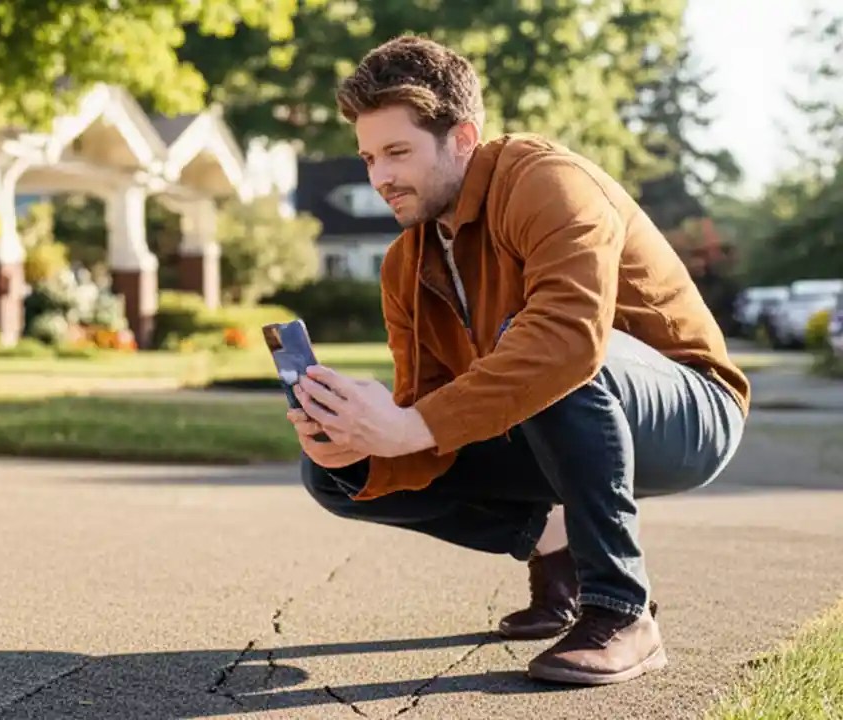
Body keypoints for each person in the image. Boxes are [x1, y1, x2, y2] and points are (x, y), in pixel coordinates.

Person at [287, 34, 750, 686]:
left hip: (689, 411)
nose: (380, 177)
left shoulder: (548, 182)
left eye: (397, 152)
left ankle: (623, 612)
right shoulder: (406, 264)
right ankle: (555, 548)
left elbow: (567, 341)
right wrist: (360, 438)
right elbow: (433, 405)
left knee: (539, 348)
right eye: (368, 158)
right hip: (546, 415)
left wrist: (411, 428)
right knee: (336, 473)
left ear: (463, 137)